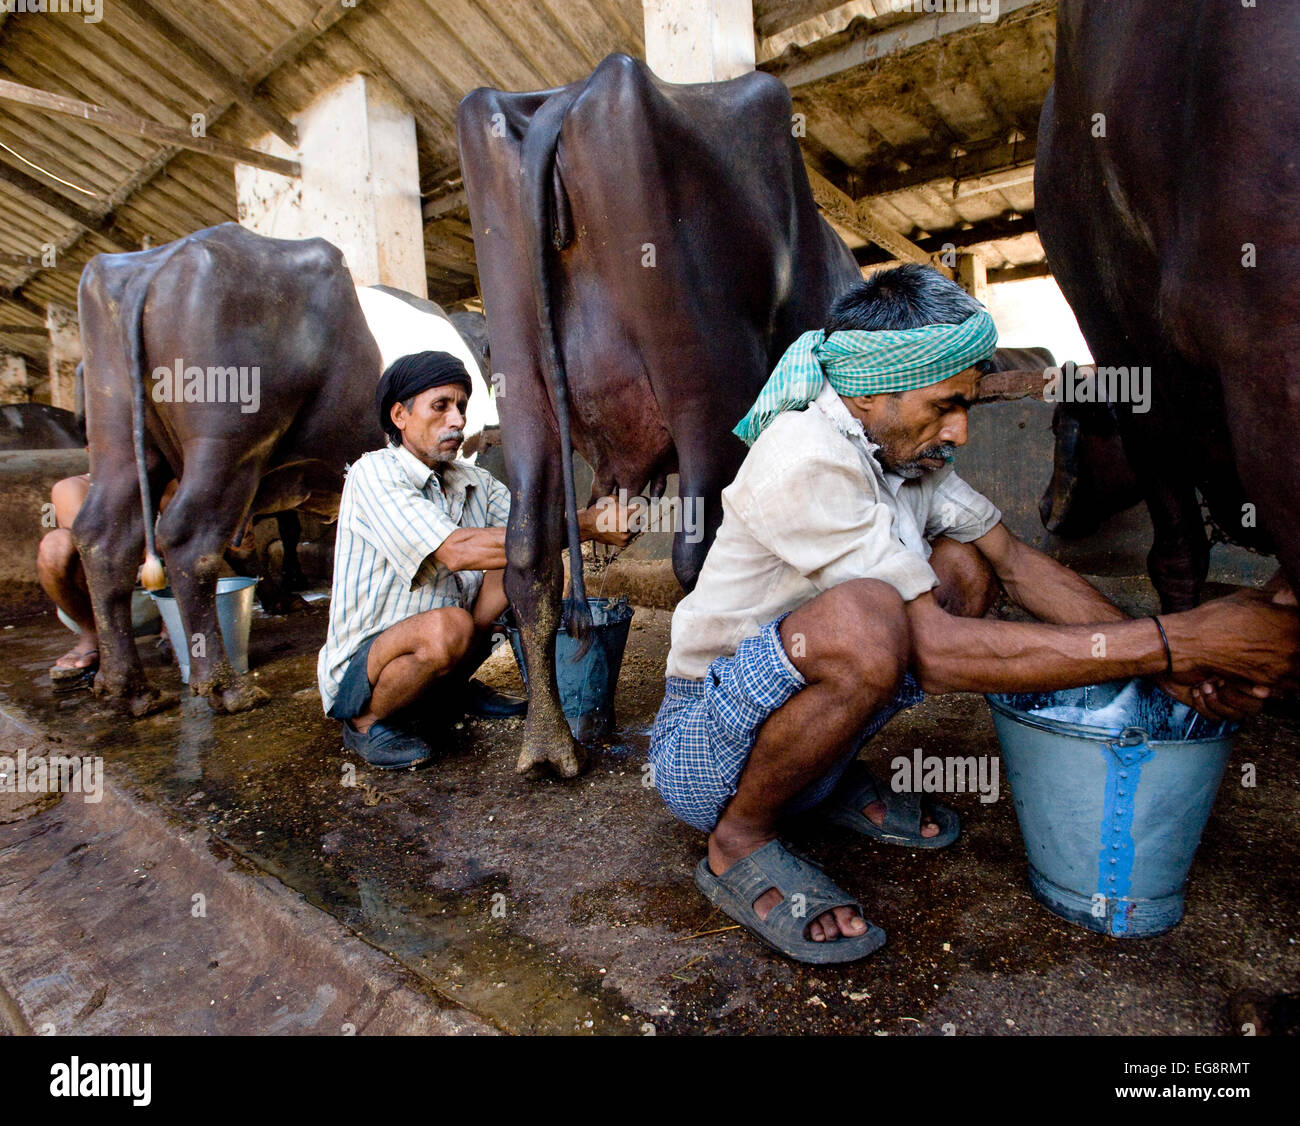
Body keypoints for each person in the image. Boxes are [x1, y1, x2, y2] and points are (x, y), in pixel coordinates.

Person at [648, 264, 1300, 964]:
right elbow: (931, 649)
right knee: (872, 620)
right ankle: (739, 838)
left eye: (969, 405)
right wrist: (1173, 642)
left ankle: (818, 777)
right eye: (944, 405)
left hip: (787, 724)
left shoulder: (908, 452)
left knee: (966, 564)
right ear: (868, 393)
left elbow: (1016, 560)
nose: (959, 431)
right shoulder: (803, 458)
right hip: (703, 751)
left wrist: (1172, 670)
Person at [318, 350, 632, 770]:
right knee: (451, 625)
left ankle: (447, 692)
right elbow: (458, 549)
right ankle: (365, 722)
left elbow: (533, 530)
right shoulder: (374, 473)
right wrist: (589, 528)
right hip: (365, 667)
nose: (458, 420)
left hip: (448, 641)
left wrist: (591, 515)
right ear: (399, 415)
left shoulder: (472, 480)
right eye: (441, 406)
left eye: (462, 406)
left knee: (516, 560)